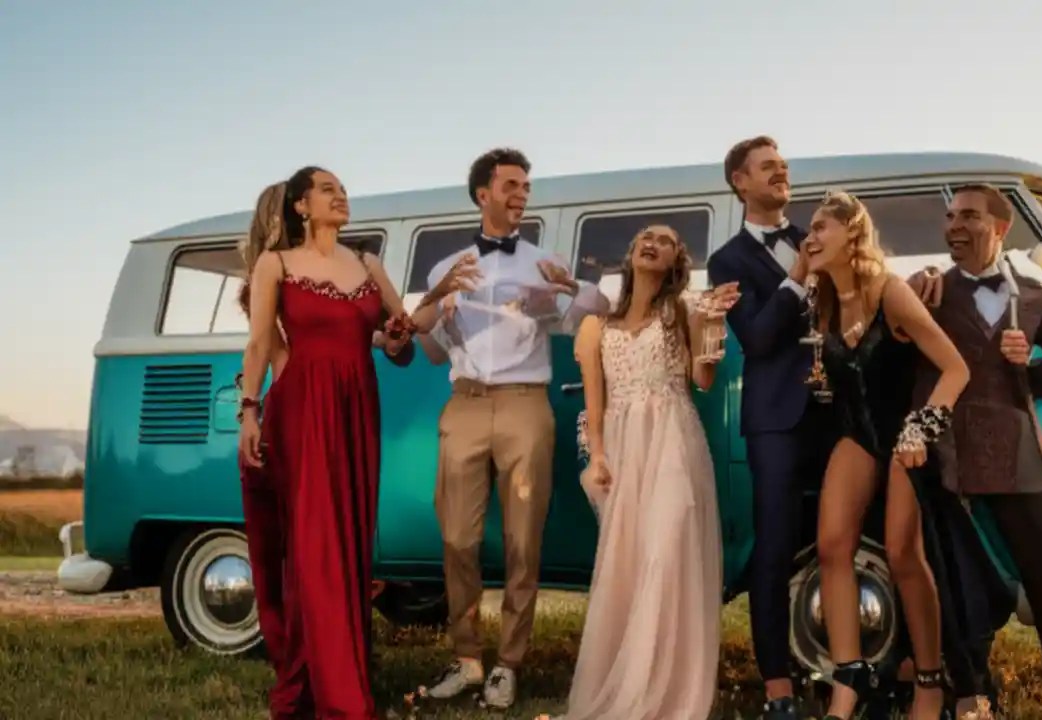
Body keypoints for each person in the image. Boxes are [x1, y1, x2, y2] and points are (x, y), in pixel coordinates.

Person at [908, 183, 1042, 720]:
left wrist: (1032, 367)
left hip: (1017, 451)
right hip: (947, 454)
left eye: (968, 216)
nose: (953, 225)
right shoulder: (929, 292)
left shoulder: (1037, 294)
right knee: (955, 574)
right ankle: (971, 693)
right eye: (950, 216)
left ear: (1000, 229)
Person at [417, 147, 610, 710]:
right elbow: (429, 349)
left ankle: (509, 664)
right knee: (457, 536)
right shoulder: (444, 267)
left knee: (525, 538)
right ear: (484, 194)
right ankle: (467, 657)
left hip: (527, 403)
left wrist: (564, 289)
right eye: (511, 185)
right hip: (466, 403)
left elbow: (600, 310)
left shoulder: (544, 260)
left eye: (526, 185)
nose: (522, 193)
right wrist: (441, 309)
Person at [536, 224, 741, 720]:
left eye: (667, 240)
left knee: (668, 549)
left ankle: (670, 689)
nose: (653, 242)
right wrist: (599, 455)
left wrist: (713, 324)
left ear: (676, 262)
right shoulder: (595, 328)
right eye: (645, 236)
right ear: (630, 254)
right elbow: (595, 401)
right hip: (625, 446)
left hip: (673, 437)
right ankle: (627, 679)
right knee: (627, 559)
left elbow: (703, 378)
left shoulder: (683, 311)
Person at [238, 167, 415, 719]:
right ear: (300, 207)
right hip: (300, 407)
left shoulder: (368, 265)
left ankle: (326, 671)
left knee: (350, 543)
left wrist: (404, 334)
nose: (340, 195)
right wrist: (249, 411)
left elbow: (397, 342)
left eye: (343, 188)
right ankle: (339, 697)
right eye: (327, 189)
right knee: (316, 544)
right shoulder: (277, 264)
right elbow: (261, 344)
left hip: (357, 408)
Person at [802, 190, 970, 720]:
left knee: (902, 552)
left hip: (905, 434)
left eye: (819, 227)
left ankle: (928, 680)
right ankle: (848, 681)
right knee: (831, 546)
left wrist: (922, 429)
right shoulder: (823, 298)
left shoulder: (890, 291)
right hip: (856, 435)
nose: (809, 237)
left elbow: (955, 369)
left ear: (852, 232)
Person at [706, 135, 838, 720]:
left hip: (839, 412)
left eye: (783, 166)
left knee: (847, 533)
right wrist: (798, 276)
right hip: (776, 420)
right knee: (775, 544)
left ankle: (858, 664)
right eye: (767, 167)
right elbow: (756, 338)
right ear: (740, 181)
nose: (781, 173)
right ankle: (778, 683)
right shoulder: (728, 260)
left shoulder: (818, 232)